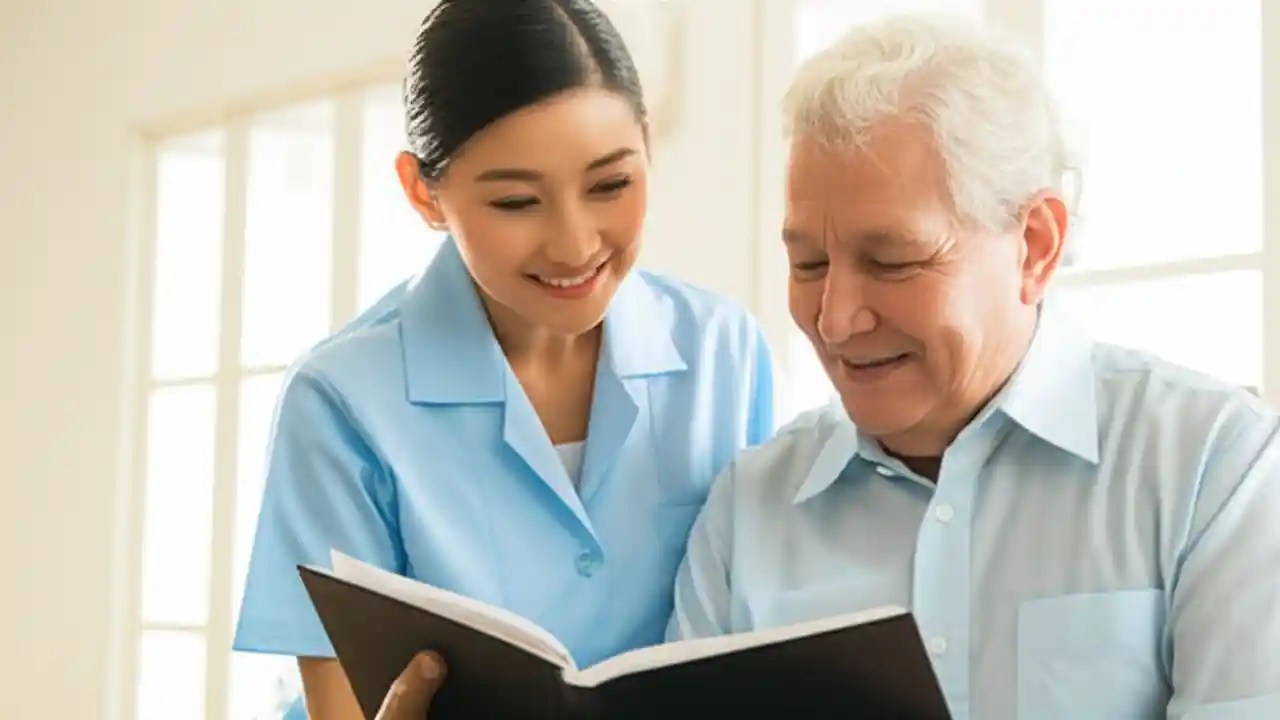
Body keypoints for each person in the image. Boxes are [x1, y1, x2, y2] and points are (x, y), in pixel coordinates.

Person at [666, 13, 1280, 720]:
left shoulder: (1217, 472)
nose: (835, 319)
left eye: (893, 261)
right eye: (808, 264)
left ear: (1036, 245)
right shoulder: (748, 513)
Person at [231, 1, 775, 717]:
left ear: (648, 145)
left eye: (611, 184)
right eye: (517, 201)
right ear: (423, 191)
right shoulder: (340, 400)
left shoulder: (724, 353)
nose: (575, 244)